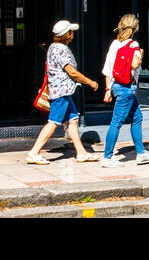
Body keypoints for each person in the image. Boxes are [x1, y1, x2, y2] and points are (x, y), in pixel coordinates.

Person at [26, 20, 100, 164]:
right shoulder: (61, 49)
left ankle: (81, 153)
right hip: (61, 92)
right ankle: (34, 153)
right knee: (53, 122)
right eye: (71, 32)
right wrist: (90, 82)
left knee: (73, 120)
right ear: (67, 35)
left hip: (63, 91)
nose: (73, 35)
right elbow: (71, 72)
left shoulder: (53, 47)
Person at [101, 14, 149, 165]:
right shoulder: (133, 44)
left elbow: (107, 69)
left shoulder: (114, 44)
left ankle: (140, 153)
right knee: (117, 121)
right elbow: (135, 65)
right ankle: (107, 157)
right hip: (127, 88)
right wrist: (141, 54)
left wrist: (107, 89)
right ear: (134, 28)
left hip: (116, 86)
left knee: (137, 117)